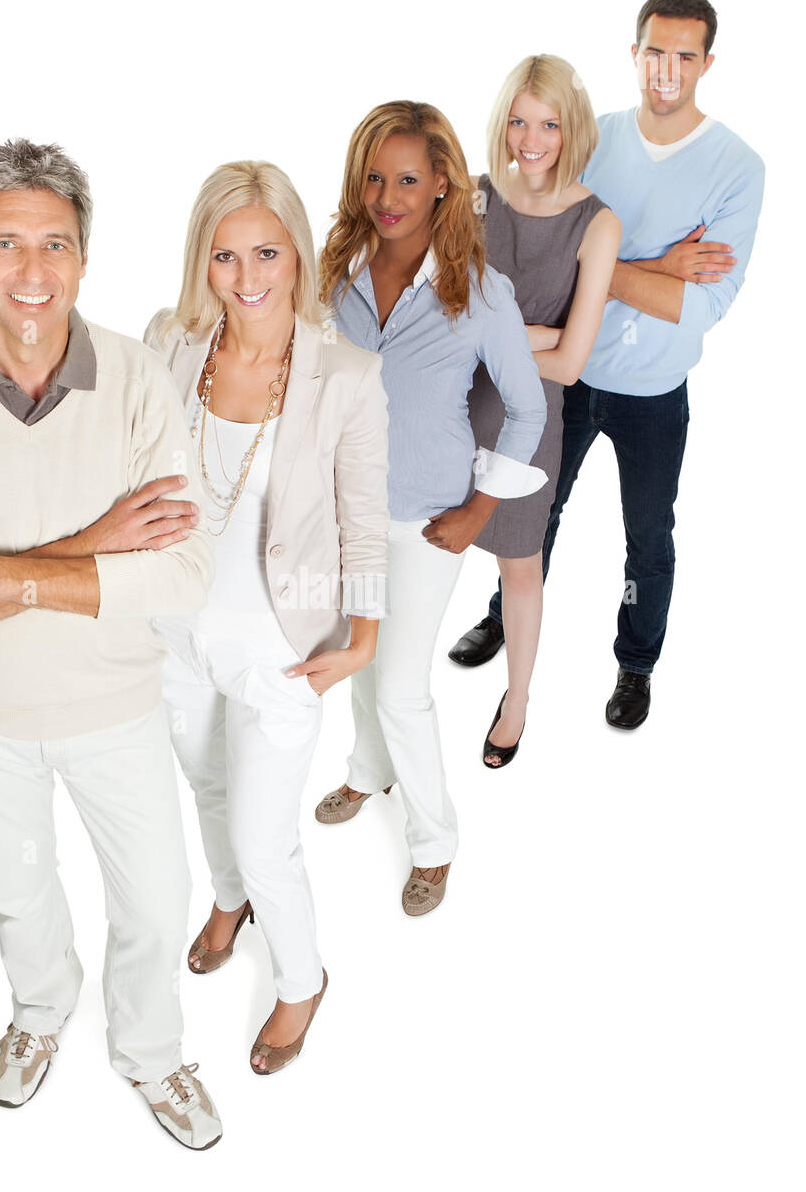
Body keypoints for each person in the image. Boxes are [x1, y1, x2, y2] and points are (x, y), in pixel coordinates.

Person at [0, 138, 224, 1150]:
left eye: (54, 244)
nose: (32, 271)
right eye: (5, 243)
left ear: (85, 257)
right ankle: (40, 1010)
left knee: (157, 899)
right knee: (21, 895)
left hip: (113, 702)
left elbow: (184, 575)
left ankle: (151, 1053)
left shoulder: (141, 379)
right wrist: (95, 547)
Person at [450, 0, 765, 730]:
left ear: (706, 63)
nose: (666, 69)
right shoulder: (595, 137)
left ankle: (635, 665)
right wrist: (656, 262)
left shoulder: (737, 167)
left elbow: (702, 307)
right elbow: (547, 223)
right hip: (568, 375)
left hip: (653, 389)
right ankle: (502, 614)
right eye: (654, 51)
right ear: (634, 53)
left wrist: (598, 265)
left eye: (684, 55)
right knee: (537, 507)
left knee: (648, 533)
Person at [143, 161, 388, 1074]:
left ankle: (300, 980)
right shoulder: (169, 344)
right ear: (200, 262)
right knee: (206, 789)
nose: (246, 278)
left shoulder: (346, 376)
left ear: (296, 254)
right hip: (177, 630)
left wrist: (362, 638)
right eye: (224, 257)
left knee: (263, 829)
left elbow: (364, 518)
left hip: (284, 646)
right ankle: (229, 899)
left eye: (266, 253)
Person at [314, 100, 548, 914]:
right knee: (357, 662)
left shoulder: (479, 292)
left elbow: (528, 411)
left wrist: (482, 510)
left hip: (426, 520)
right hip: (345, 513)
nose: (388, 195)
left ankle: (433, 844)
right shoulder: (332, 273)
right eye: (375, 177)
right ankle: (364, 772)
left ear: (443, 184)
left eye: (408, 179)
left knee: (401, 683)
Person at [449, 55, 620, 767]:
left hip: (527, 418)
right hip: (448, 406)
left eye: (547, 122)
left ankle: (516, 699)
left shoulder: (595, 222)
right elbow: (443, 319)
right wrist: (536, 333)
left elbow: (572, 362)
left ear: (569, 128)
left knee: (520, 565)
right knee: (424, 549)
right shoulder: (475, 198)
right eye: (518, 120)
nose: (530, 136)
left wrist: (504, 338)